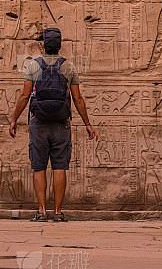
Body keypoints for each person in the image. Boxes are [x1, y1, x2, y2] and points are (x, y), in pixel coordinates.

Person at [9, 28, 97, 221]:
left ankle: (41, 211)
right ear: (59, 45)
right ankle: (58, 212)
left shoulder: (33, 66)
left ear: (43, 45)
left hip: (39, 123)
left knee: (39, 166)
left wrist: (14, 119)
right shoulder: (68, 67)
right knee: (59, 166)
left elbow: (24, 95)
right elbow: (78, 98)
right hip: (61, 124)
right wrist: (88, 124)